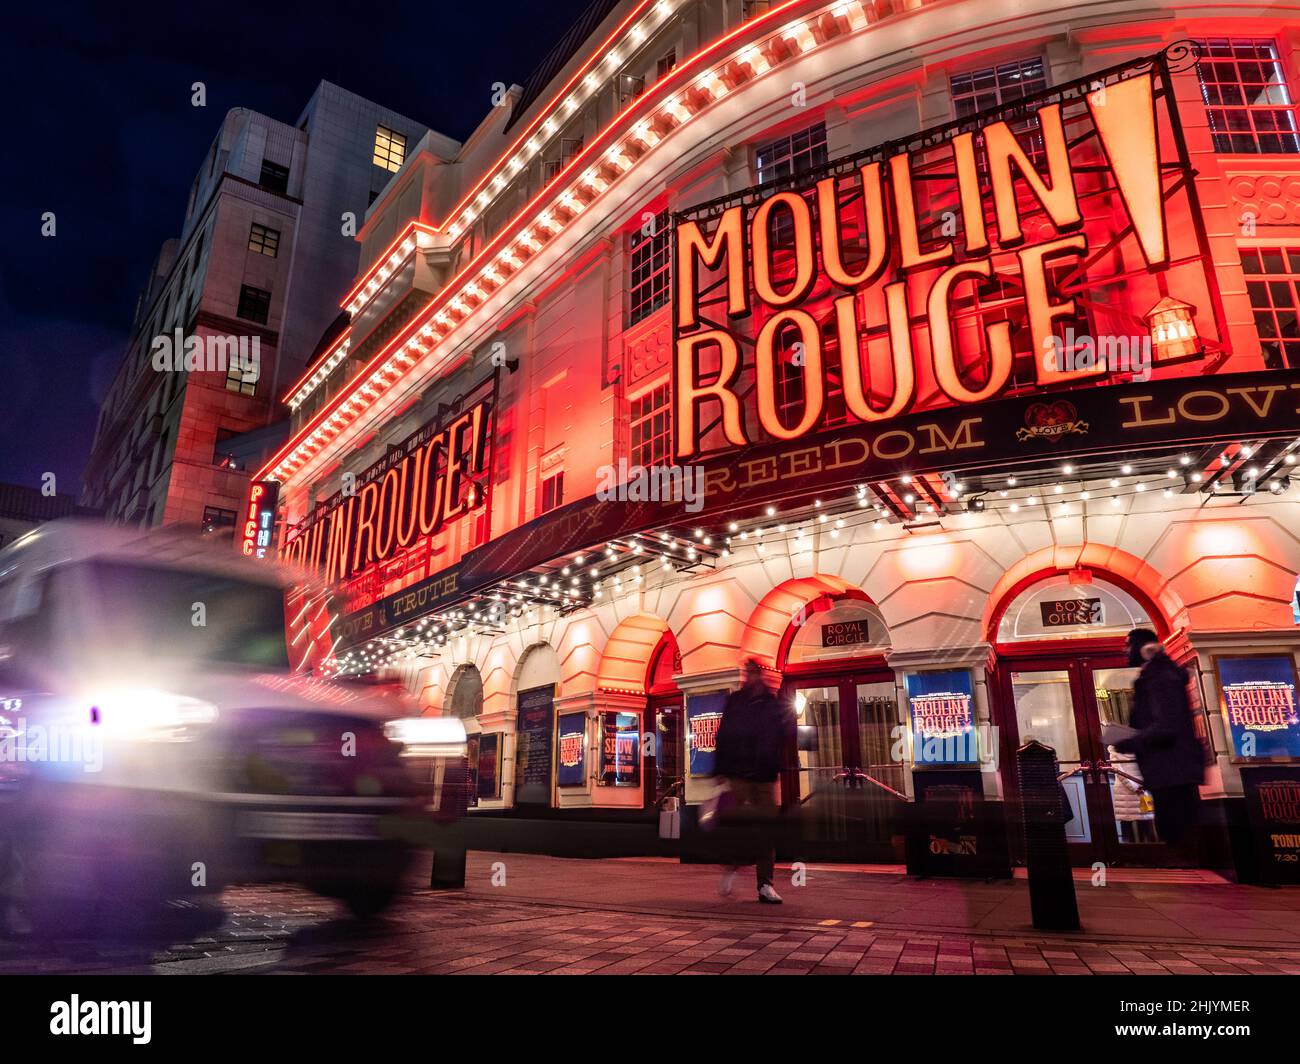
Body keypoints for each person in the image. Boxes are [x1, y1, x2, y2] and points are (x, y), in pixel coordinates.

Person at [1107, 627, 1205, 851]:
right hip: (1170, 769)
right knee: (1178, 834)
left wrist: (1130, 740)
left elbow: (1166, 725)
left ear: (1143, 648)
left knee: (1178, 836)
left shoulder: (1158, 677)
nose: (1125, 651)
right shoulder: (1159, 674)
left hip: (1170, 769)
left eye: (1128, 645)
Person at [713, 658, 795, 903]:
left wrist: (781, 755)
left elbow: (786, 733)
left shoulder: (772, 703)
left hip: (765, 775)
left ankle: (765, 884)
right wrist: (720, 769)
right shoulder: (736, 701)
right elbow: (724, 734)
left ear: (760, 675)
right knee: (738, 827)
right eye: (747, 673)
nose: (750, 677)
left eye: (753, 672)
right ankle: (730, 869)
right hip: (739, 774)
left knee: (766, 829)